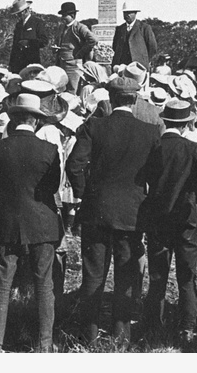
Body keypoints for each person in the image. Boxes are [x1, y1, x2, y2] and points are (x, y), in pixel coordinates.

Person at [66, 76, 162, 344]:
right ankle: (121, 335)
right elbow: (156, 176)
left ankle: (89, 335)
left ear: (110, 98)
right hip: (132, 213)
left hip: (97, 210)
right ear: (135, 99)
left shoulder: (94, 126)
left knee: (93, 274)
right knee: (126, 275)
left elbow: (74, 165)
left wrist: (86, 195)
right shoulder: (151, 131)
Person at [0, 93, 63, 352]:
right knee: (44, 284)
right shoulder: (49, 151)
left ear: (13, 118)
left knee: (2, 282)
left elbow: (0, 182)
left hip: (7, 220)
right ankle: (45, 344)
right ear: (37, 121)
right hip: (42, 222)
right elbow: (52, 188)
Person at [143, 99, 197, 343]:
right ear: (188, 123)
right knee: (187, 276)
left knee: (158, 275)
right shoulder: (193, 148)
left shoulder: (155, 148)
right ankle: (187, 326)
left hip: (158, 217)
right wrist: (196, 197)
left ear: (165, 120)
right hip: (187, 217)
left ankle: (154, 323)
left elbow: (144, 178)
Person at [54, 2, 97, 94]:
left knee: (72, 90)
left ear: (72, 15)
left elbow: (93, 40)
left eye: (64, 15)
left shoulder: (80, 27)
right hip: (61, 63)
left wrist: (81, 52)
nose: (62, 18)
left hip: (73, 65)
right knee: (61, 89)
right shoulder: (62, 27)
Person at [8, 0, 50, 73]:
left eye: (19, 13)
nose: (18, 15)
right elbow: (15, 45)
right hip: (18, 64)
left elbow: (44, 41)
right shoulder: (19, 25)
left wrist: (29, 43)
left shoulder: (37, 23)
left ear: (25, 11)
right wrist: (11, 64)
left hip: (31, 62)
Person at [111, 1, 157, 69]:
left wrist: (145, 60)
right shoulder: (119, 29)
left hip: (139, 66)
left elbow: (152, 47)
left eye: (130, 12)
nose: (127, 15)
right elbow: (115, 46)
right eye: (125, 12)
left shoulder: (145, 28)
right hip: (122, 66)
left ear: (135, 13)